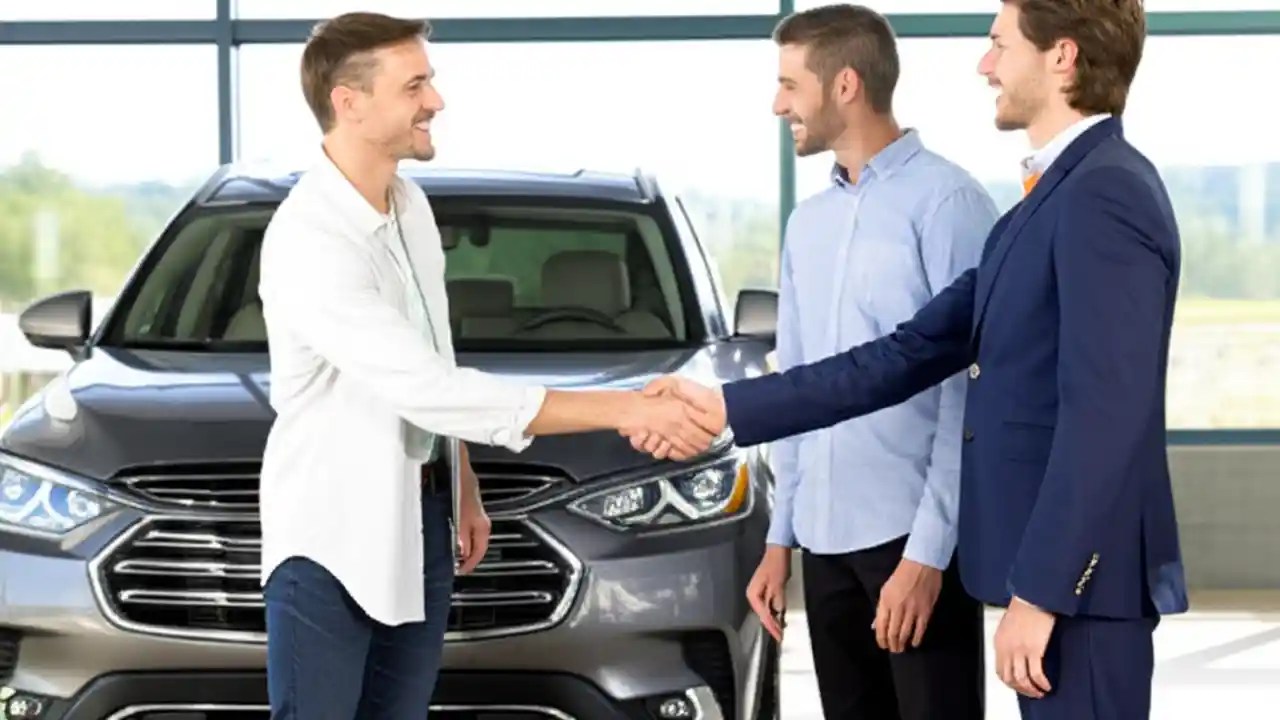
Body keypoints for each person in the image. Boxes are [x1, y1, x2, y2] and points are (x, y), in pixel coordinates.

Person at [633, 1, 1187, 718]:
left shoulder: (1103, 192)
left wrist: (1044, 590)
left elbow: (1107, 418)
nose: (985, 65)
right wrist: (727, 408)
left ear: (1062, 57)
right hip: (1058, 586)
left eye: (999, 45)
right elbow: (905, 355)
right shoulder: (1041, 205)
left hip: (1081, 590)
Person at [255, 12, 715, 719]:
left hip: (420, 522)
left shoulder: (409, 207)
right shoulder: (311, 239)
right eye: (416, 85)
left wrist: (462, 482)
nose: (435, 101)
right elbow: (432, 389)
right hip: (330, 543)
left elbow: (433, 352)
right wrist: (627, 407)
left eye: (429, 81)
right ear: (349, 103)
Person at [752, 6, 996, 719]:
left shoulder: (949, 203)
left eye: (790, 86)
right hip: (825, 541)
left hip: (912, 541)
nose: (778, 105)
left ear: (845, 85)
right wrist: (779, 538)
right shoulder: (809, 222)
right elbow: (798, 386)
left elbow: (967, 391)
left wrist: (928, 556)